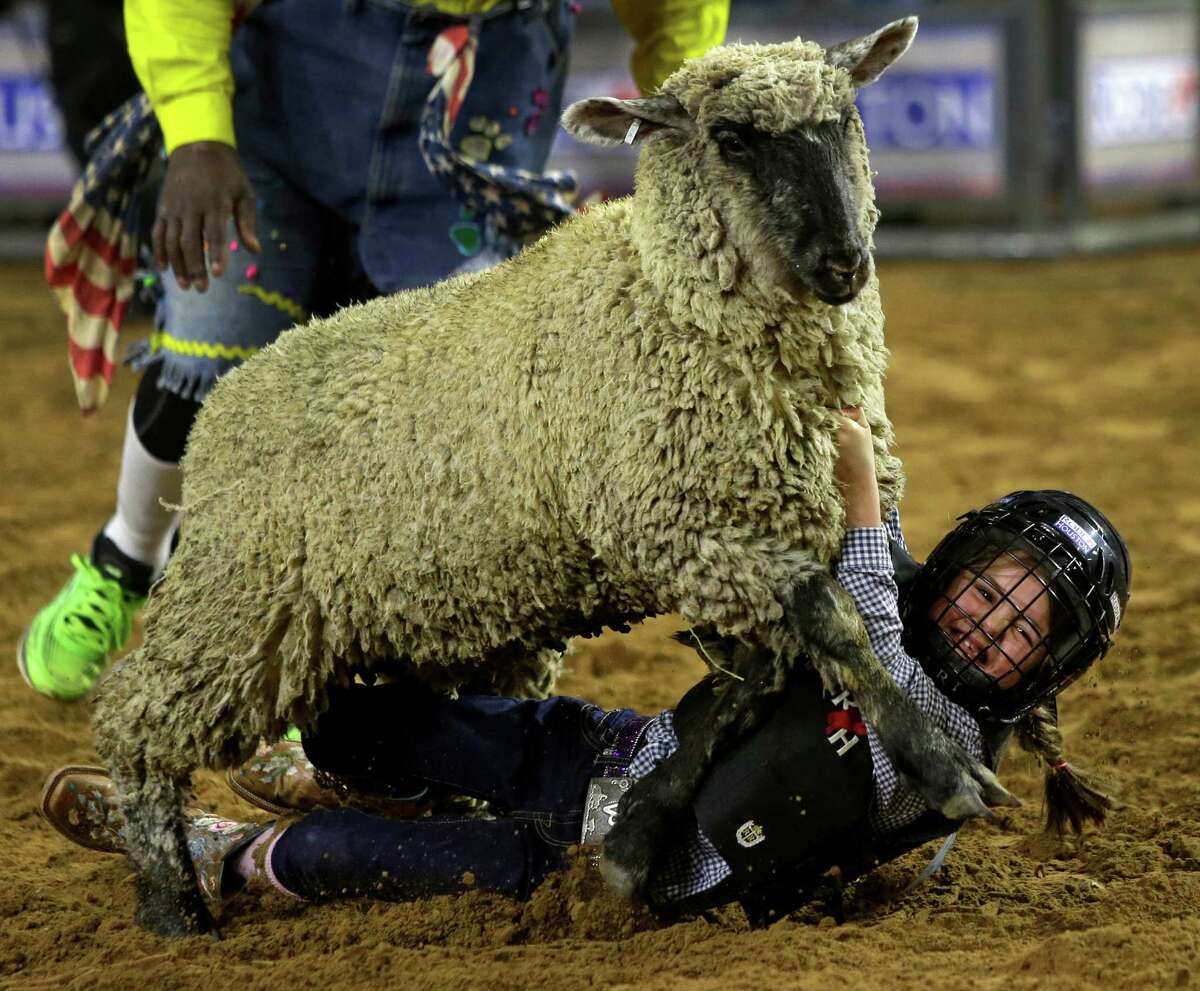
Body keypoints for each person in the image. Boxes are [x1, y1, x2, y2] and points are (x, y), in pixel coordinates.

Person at [39, 407, 1131, 926]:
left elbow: (877, 648)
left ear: (1046, 672)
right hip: (624, 751)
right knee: (373, 719)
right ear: (964, 563)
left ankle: (221, 852)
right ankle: (340, 764)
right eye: (991, 591)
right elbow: (870, 572)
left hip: (613, 870)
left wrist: (859, 488)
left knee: (346, 857)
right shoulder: (893, 588)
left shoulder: (953, 752)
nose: (989, 627)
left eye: (1021, 631)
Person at [19, 0, 731, 702]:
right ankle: (124, 560)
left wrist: (694, 132)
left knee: (462, 410)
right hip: (288, 85)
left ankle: (344, 662)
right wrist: (197, 132)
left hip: (482, 98)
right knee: (207, 353)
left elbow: (680, 10)